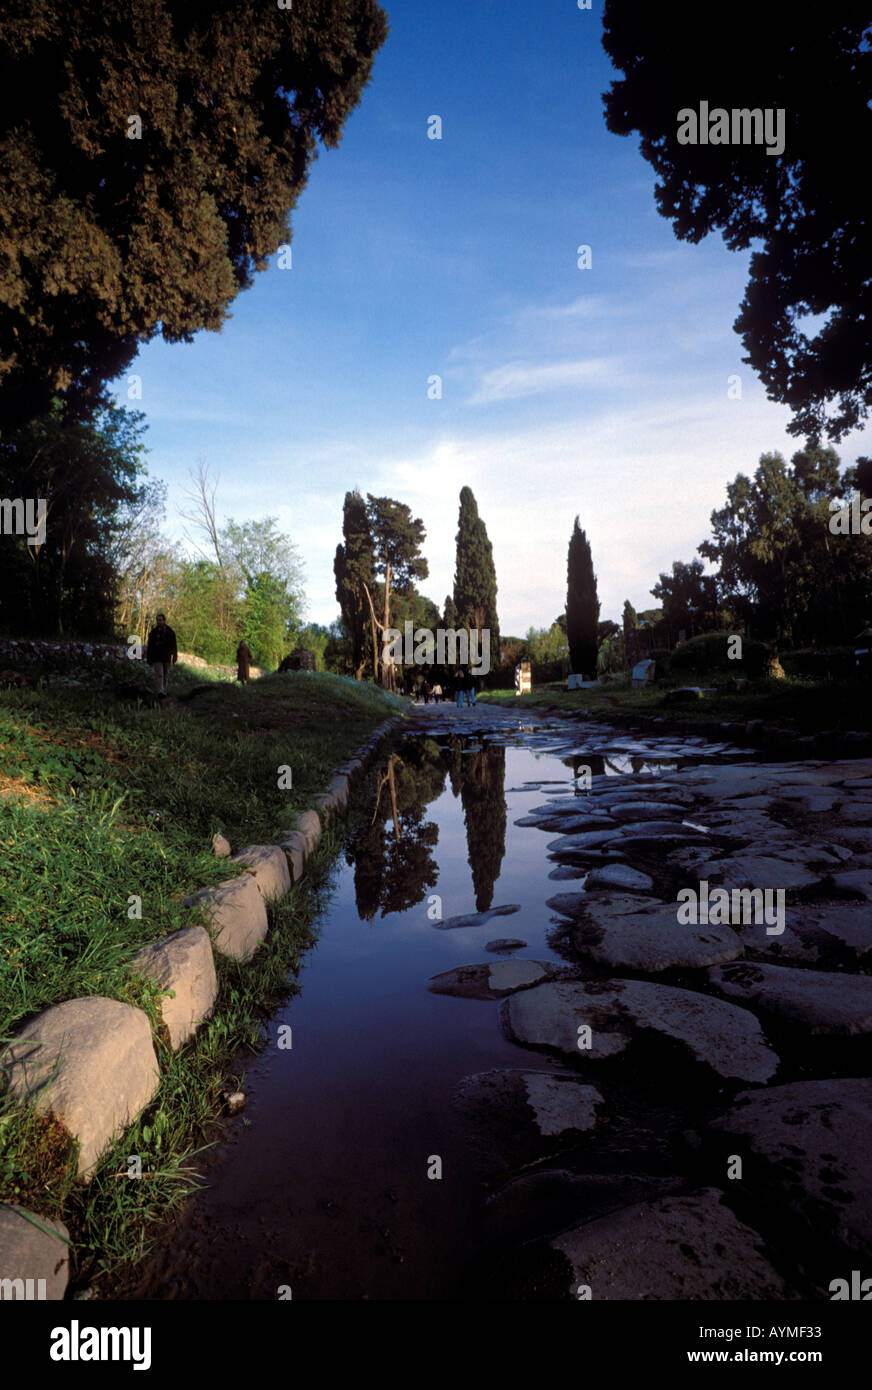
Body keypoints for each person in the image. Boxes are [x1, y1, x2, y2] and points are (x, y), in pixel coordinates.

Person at [146, 612, 178, 697]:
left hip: (166, 656)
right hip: (156, 656)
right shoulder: (154, 632)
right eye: (157, 620)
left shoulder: (170, 632)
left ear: (164, 620)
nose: (159, 622)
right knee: (159, 674)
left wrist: (174, 656)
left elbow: (174, 645)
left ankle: (164, 690)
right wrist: (149, 657)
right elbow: (150, 645)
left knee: (165, 674)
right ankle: (160, 691)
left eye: (160, 620)